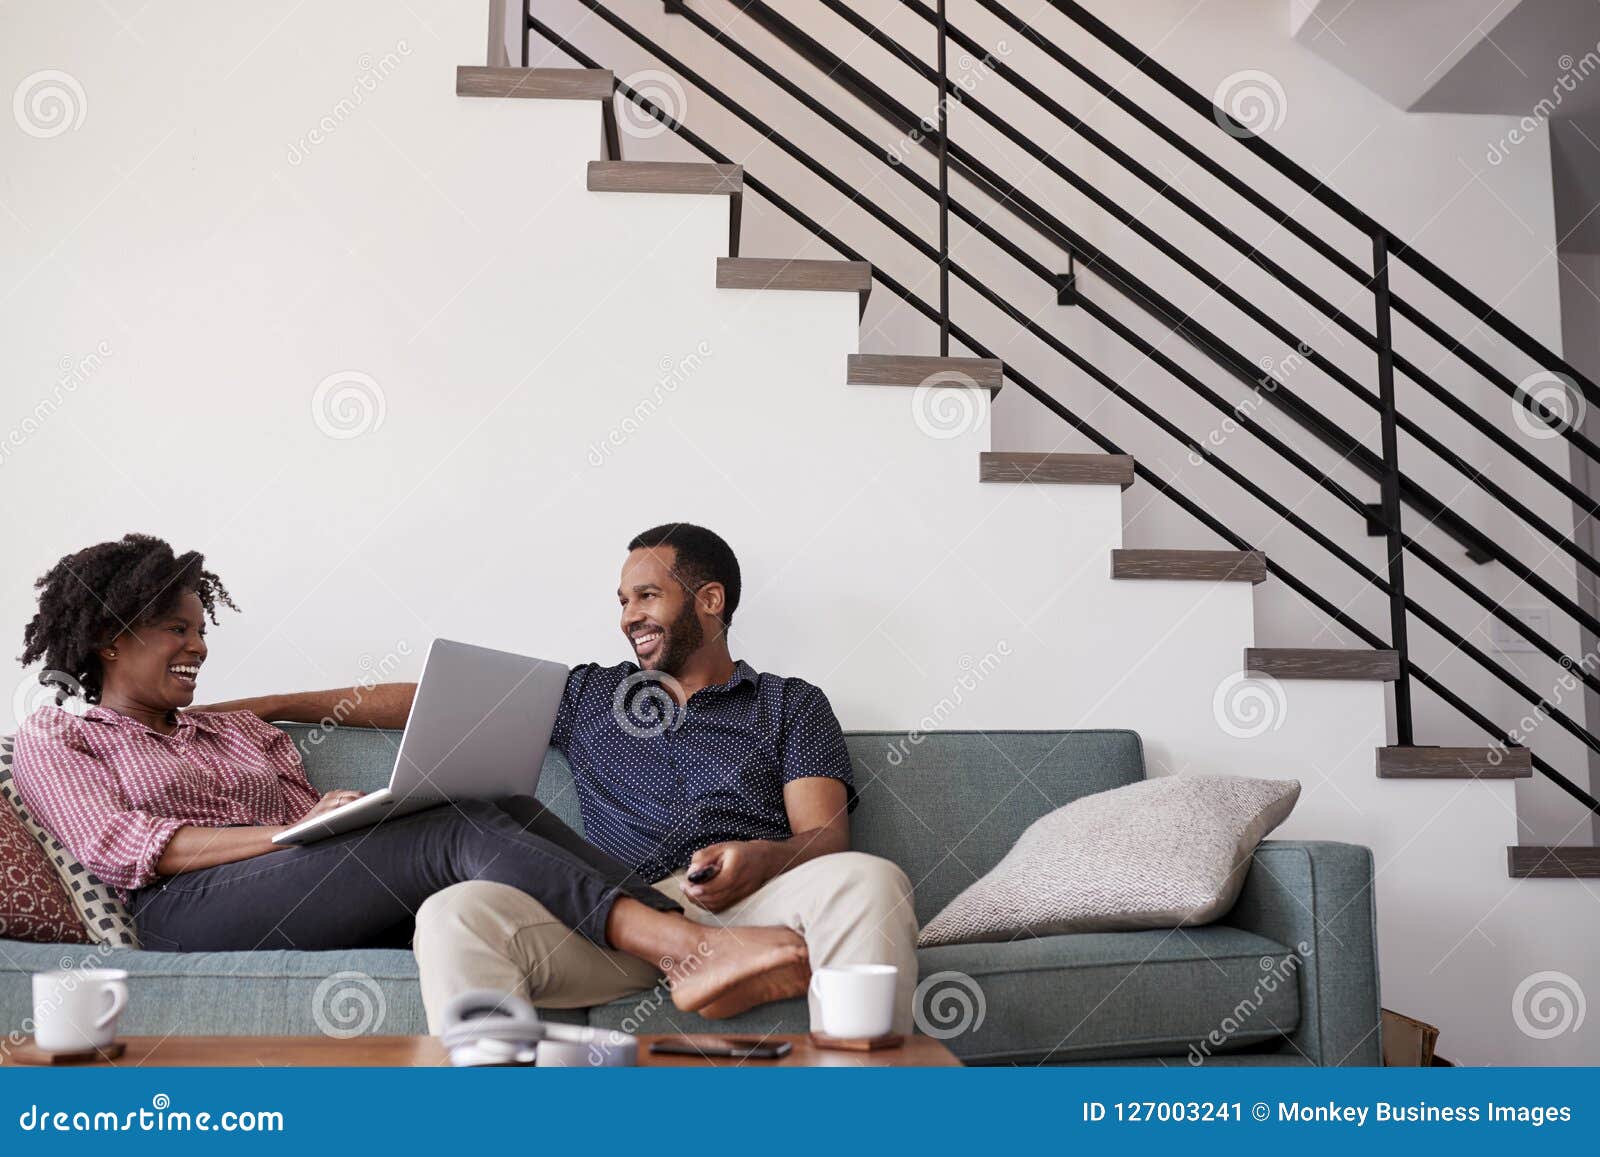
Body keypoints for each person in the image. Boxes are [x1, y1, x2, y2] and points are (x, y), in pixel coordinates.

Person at [10, 533, 810, 1019]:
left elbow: (309, 826)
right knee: (451, 830)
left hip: (297, 891)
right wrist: (290, 833)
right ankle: (689, 951)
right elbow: (126, 848)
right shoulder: (59, 734)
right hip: (187, 915)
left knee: (495, 801)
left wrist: (333, 812)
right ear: (110, 639)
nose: (200, 646)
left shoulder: (237, 730)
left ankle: (692, 931)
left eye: (200, 628)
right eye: (175, 630)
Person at [409, 523, 919, 1034]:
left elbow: (826, 837)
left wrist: (764, 856)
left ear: (710, 600)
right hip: (619, 921)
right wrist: (326, 708)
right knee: (454, 911)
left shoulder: (789, 703)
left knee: (869, 880)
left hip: (755, 911)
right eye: (623, 601)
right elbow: (446, 699)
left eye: (648, 596)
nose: (630, 616)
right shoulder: (587, 695)